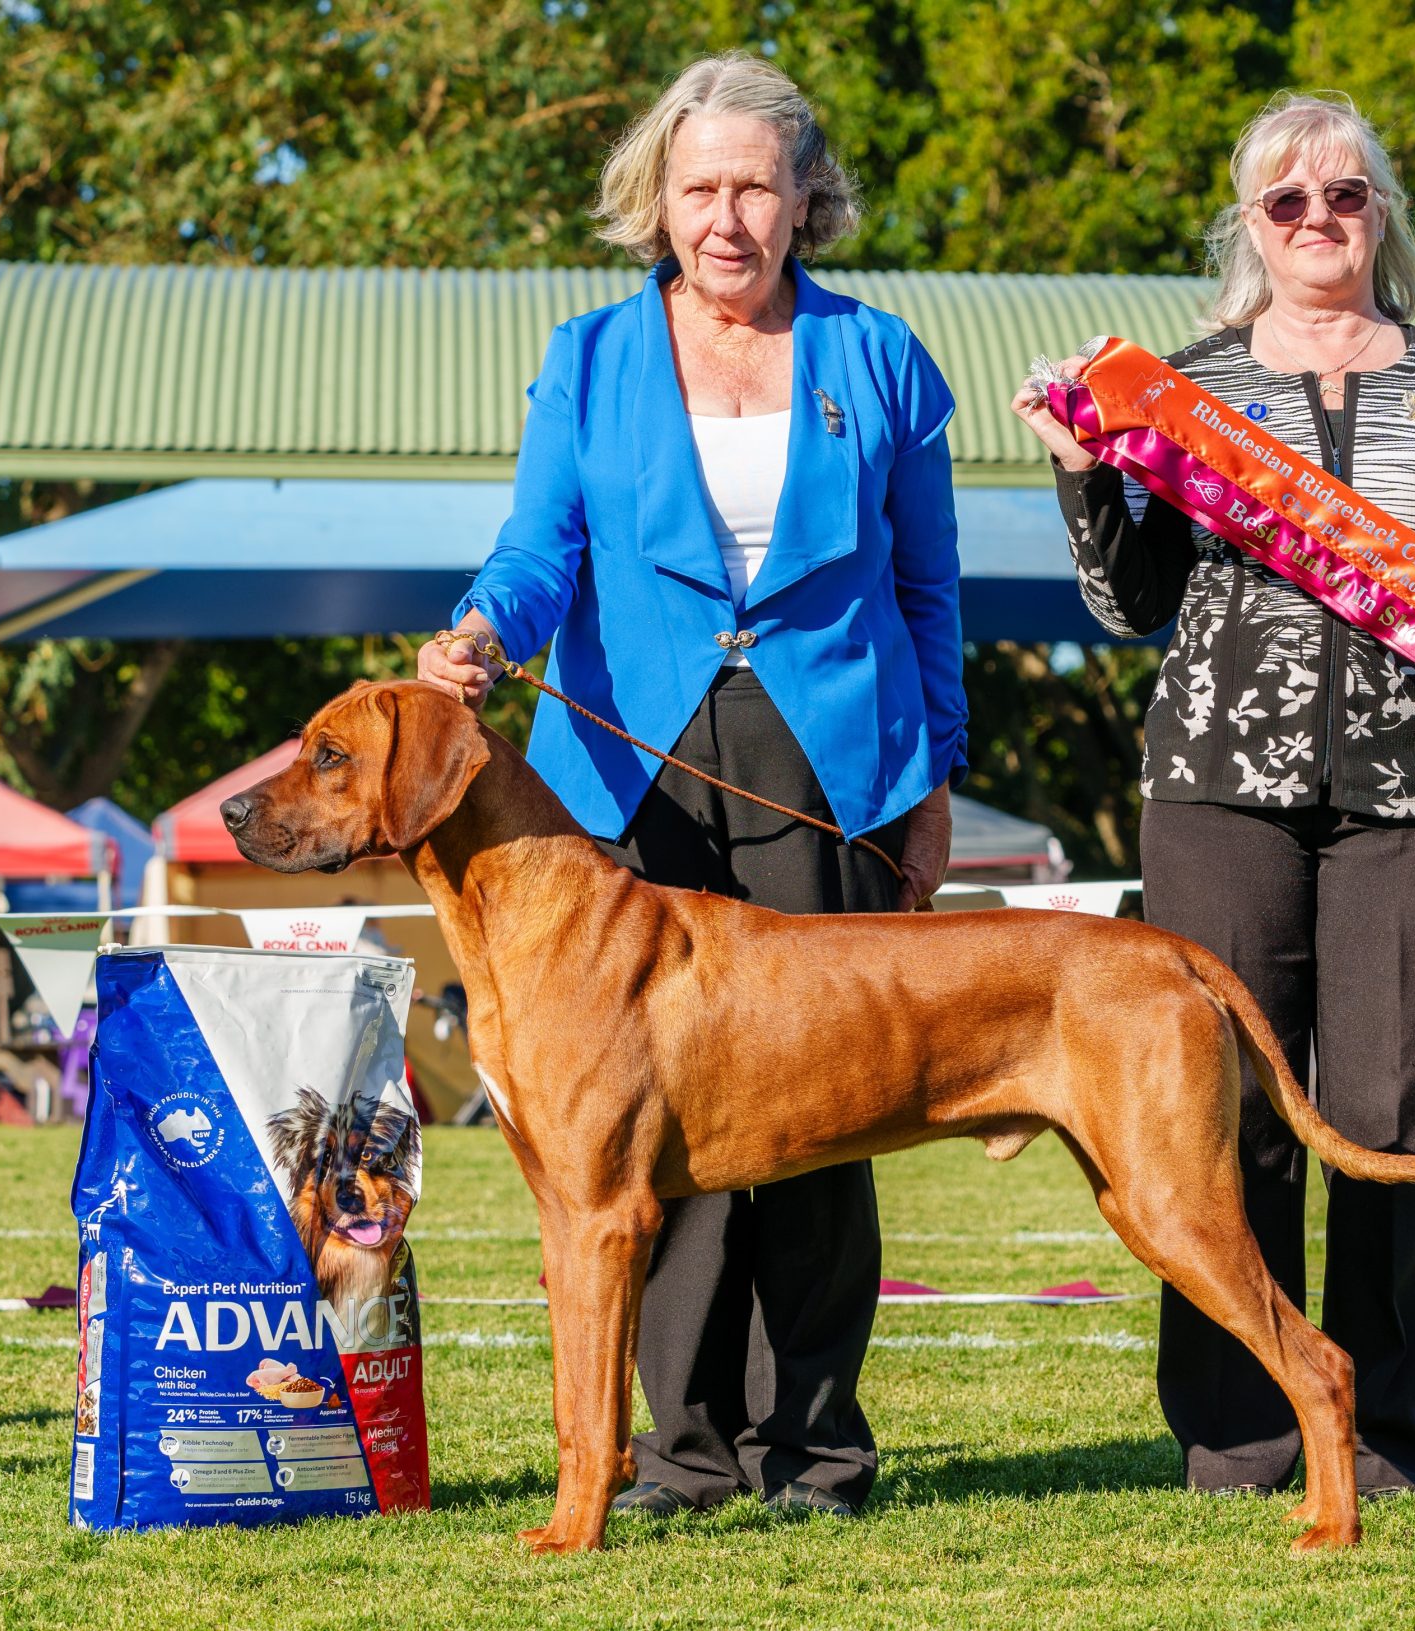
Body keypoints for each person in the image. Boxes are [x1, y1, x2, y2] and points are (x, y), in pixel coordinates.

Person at [1011, 92, 1415, 1498]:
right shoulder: (1180, 387)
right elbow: (1131, 603)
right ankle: (1238, 1435)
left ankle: (1386, 1436)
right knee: (1224, 1116)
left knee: (1393, 1112)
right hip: (1215, 788)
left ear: (1382, 215)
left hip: (1412, 793)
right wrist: (1083, 480)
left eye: (1345, 195)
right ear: (1250, 225)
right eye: (1287, 200)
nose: (1318, 220)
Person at [419, 53, 966, 1520]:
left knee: (832, 1108)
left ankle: (818, 1451)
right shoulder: (588, 358)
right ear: (657, 200)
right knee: (648, 1127)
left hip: (833, 764)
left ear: (806, 199)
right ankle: (687, 1450)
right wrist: (482, 634)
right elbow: (539, 552)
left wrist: (933, 775)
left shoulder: (882, 359)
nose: (729, 218)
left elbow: (928, 591)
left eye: (758, 188)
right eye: (701, 187)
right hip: (627, 775)